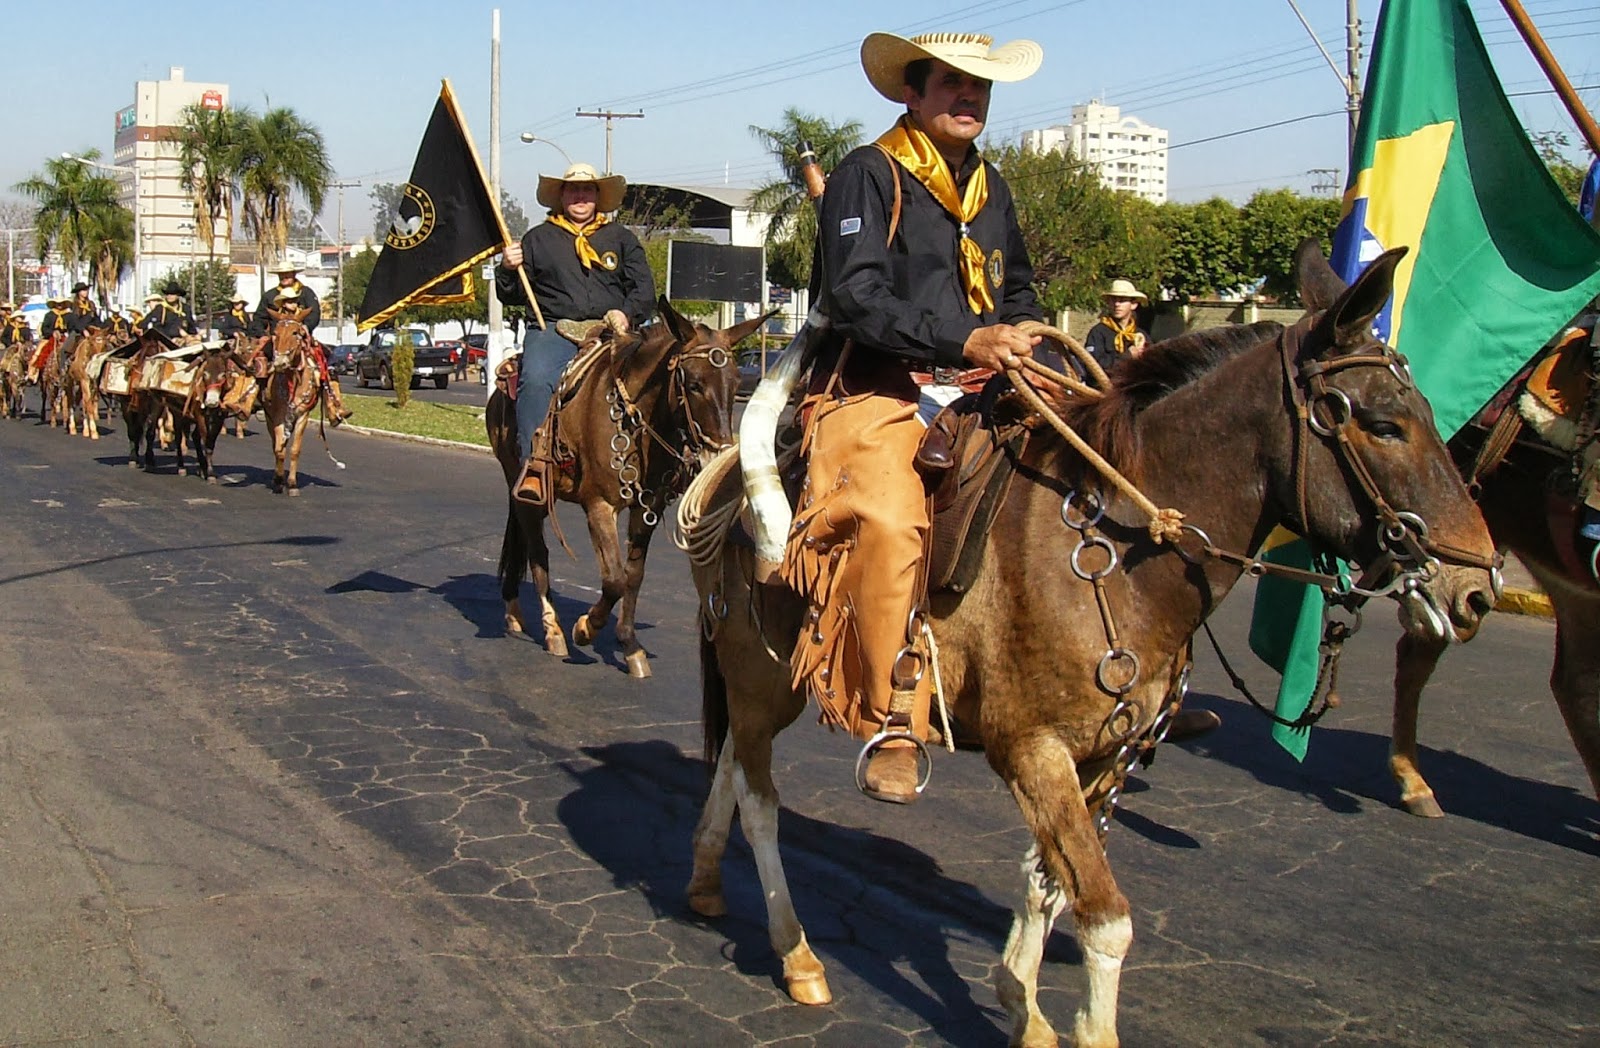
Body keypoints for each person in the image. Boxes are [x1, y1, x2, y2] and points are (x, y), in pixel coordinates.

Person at [494, 161, 655, 504]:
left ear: (598, 196)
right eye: (573, 190)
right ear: (561, 196)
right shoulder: (538, 239)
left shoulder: (622, 239)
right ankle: (535, 466)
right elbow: (510, 294)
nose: (580, 196)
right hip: (554, 329)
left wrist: (626, 313)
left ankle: (665, 462)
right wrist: (507, 268)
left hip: (611, 332)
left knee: (656, 378)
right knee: (536, 379)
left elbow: (645, 289)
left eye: (587, 190)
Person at [248, 265, 349, 423]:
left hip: (301, 337)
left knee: (328, 361)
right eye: (282, 274)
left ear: (294, 274)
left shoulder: (306, 293)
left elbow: (314, 313)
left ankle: (333, 405)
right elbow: (258, 318)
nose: (284, 277)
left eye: (287, 274)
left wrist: (305, 327)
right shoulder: (269, 296)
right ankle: (252, 398)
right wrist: (262, 335)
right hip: (277, 340)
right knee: (257, 362)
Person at [1083, 278, 1150, 378]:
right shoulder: (1098, 332)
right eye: (1113, 300)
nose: (1117, 304)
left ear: (1133, 305)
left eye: (1122, 300)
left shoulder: (1142, 335)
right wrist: (1127, 356)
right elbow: (1092, 366)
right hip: (1105, 389)